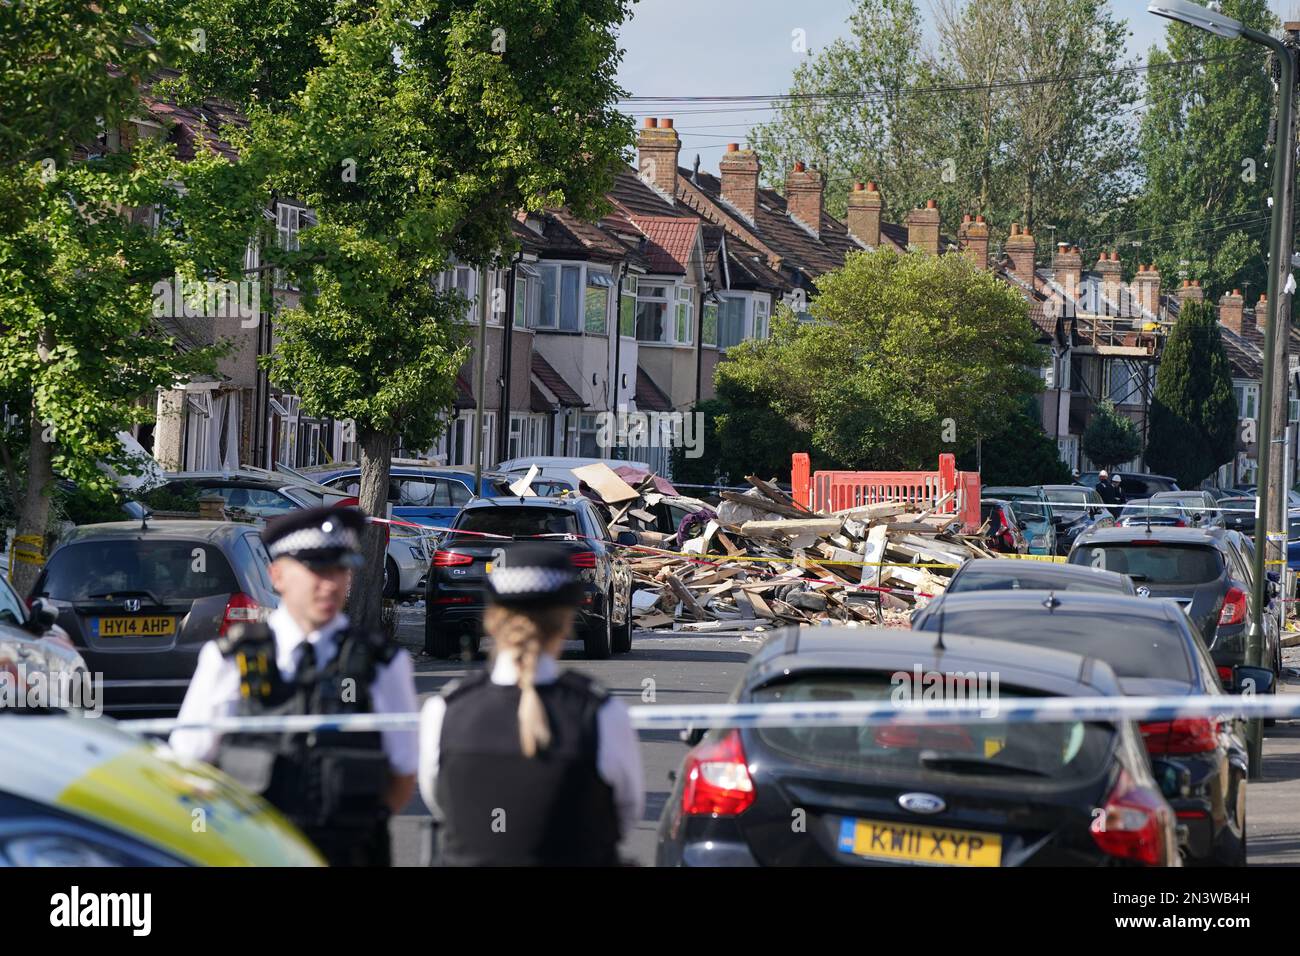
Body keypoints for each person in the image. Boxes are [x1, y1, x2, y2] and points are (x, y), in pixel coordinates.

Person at [169, 506, 418, 866]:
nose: (330, 584)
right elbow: (189, 766)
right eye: (316, 570)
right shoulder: (230, 659)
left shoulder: (383, 663)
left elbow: (403, 775)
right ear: (278, 576)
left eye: (339, 569)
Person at [418, 542, 643, 866]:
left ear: (492, 619)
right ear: (565, 622)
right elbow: (623, 817)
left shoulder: (445, 711)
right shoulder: (600, 714)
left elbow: (440, 802)